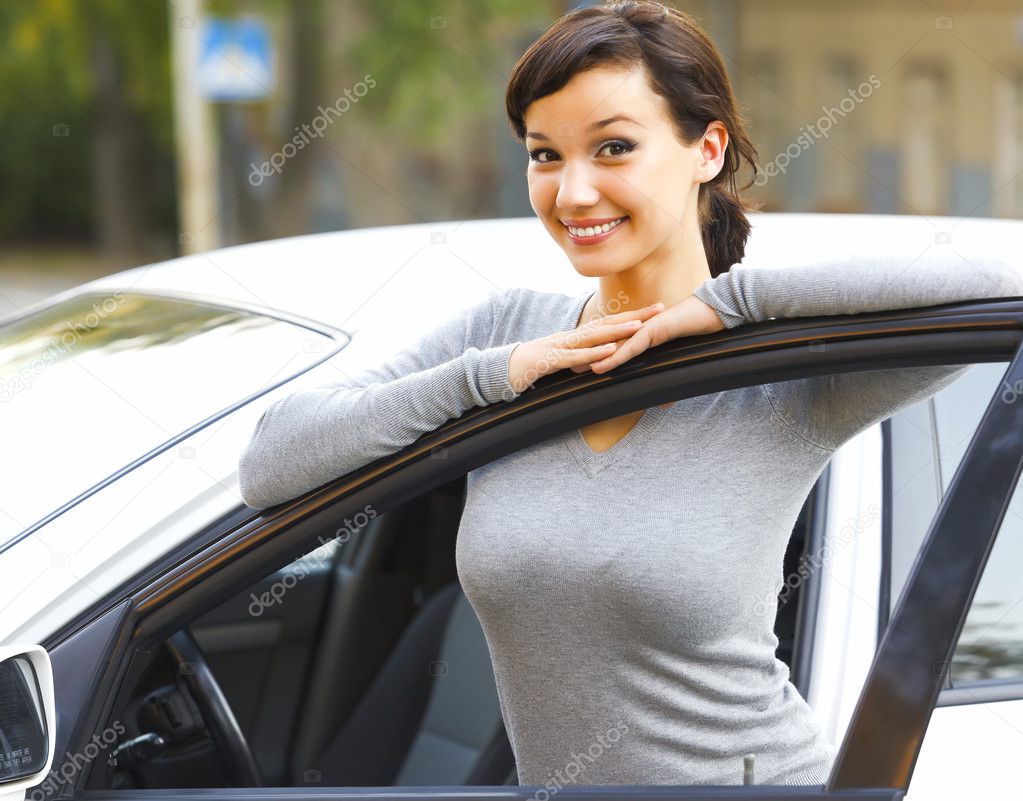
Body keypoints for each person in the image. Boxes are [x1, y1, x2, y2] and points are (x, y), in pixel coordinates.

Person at [238, 0, 1023, 786]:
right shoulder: (506, 330)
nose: (572, 193)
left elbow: (987, 285)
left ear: (705, 149)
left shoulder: (778, 374)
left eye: (613, 147)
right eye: (545, 154)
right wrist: (493, 378)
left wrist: (729, 306)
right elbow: (272, 462)